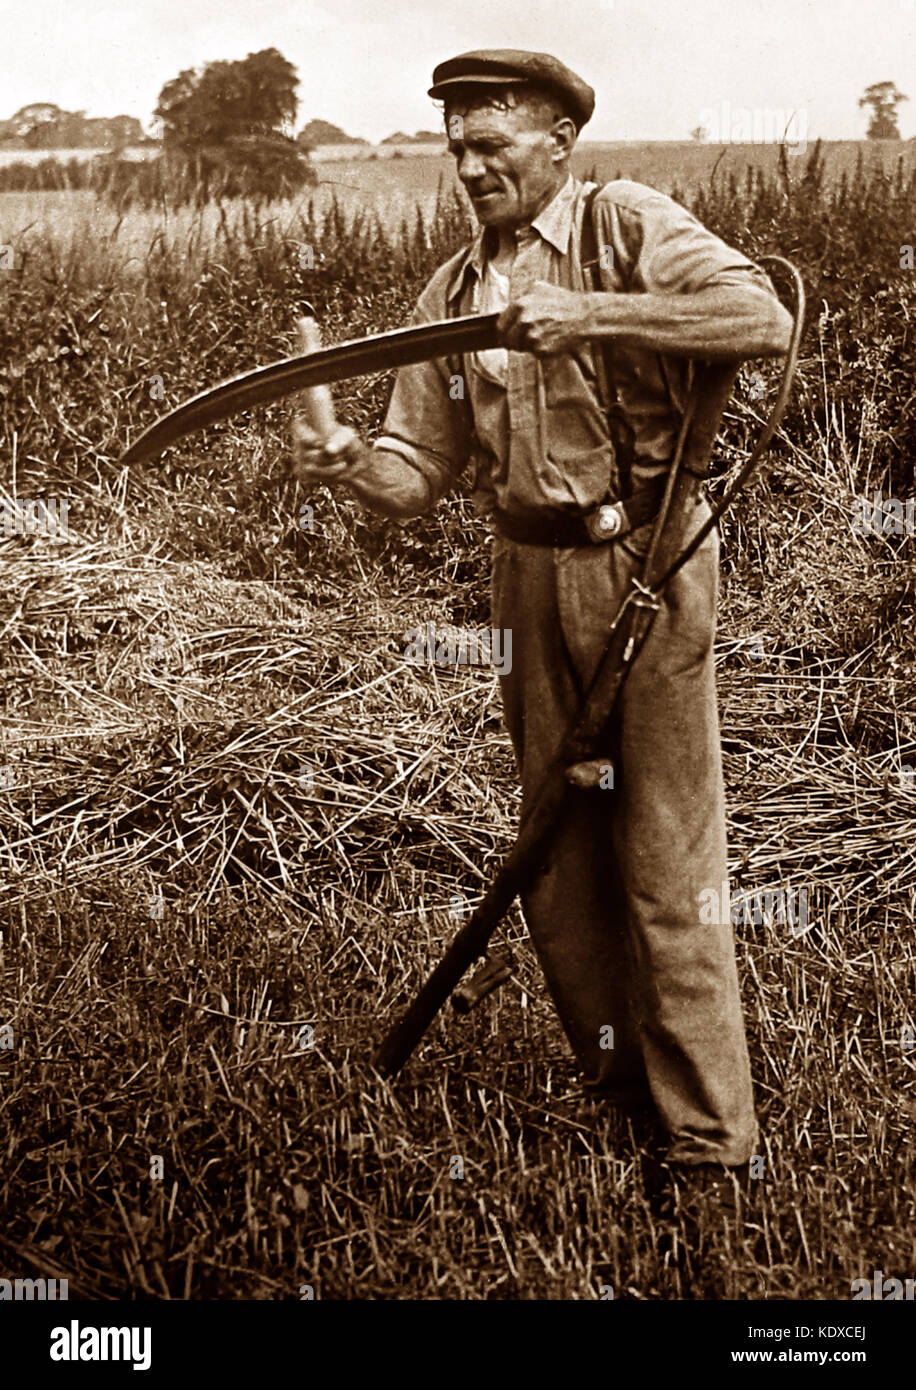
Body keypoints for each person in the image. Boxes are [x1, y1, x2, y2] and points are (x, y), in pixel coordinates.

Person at [291, 50, 793, 1191]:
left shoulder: (623, 224)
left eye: (492, 143)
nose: (469, 166)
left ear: (558, 140)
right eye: (454, 147)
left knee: (663, 852)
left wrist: (590, 315)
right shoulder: (454, 292)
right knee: (559, 859)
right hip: (523, 576)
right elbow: (420, 468)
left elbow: (755, 317)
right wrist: (349, 462)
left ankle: (711, 1145)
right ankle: (623, 1098)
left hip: (647, 562)